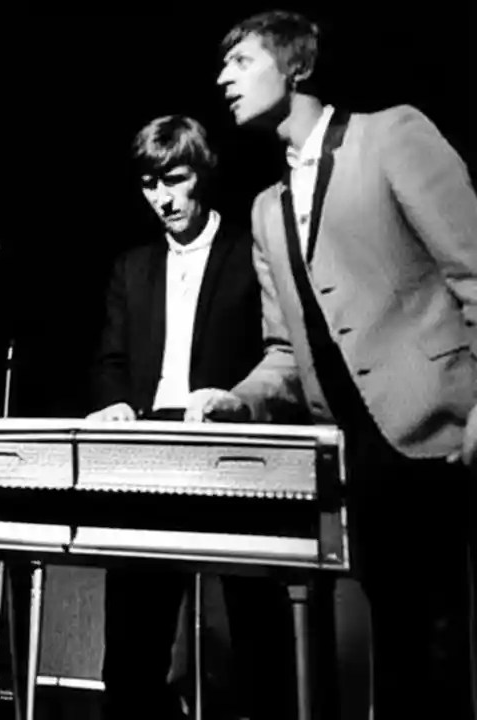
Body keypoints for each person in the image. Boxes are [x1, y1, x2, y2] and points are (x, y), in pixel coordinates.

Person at [191, 9, 477, 718]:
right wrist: (236, 400)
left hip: (446, 438)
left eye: (240, 62)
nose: (223, 78)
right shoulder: (266, 209)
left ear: (297, 66)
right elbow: (285, 352)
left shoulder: (391, 135)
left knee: (454, 656)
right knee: (402, 656)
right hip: (360, 462)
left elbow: (475, 271)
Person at [88, 114, 295, 719]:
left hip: (232, 451)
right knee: (131, 645)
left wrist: (235, 401)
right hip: (150, 453)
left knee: (258, 630)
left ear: (202, 173)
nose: (162, 198)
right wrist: (115, 402)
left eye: (174, 180)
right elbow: (110, 358)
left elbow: (279, 351)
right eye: (150, 184)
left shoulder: (247, 250)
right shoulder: (132, 266)